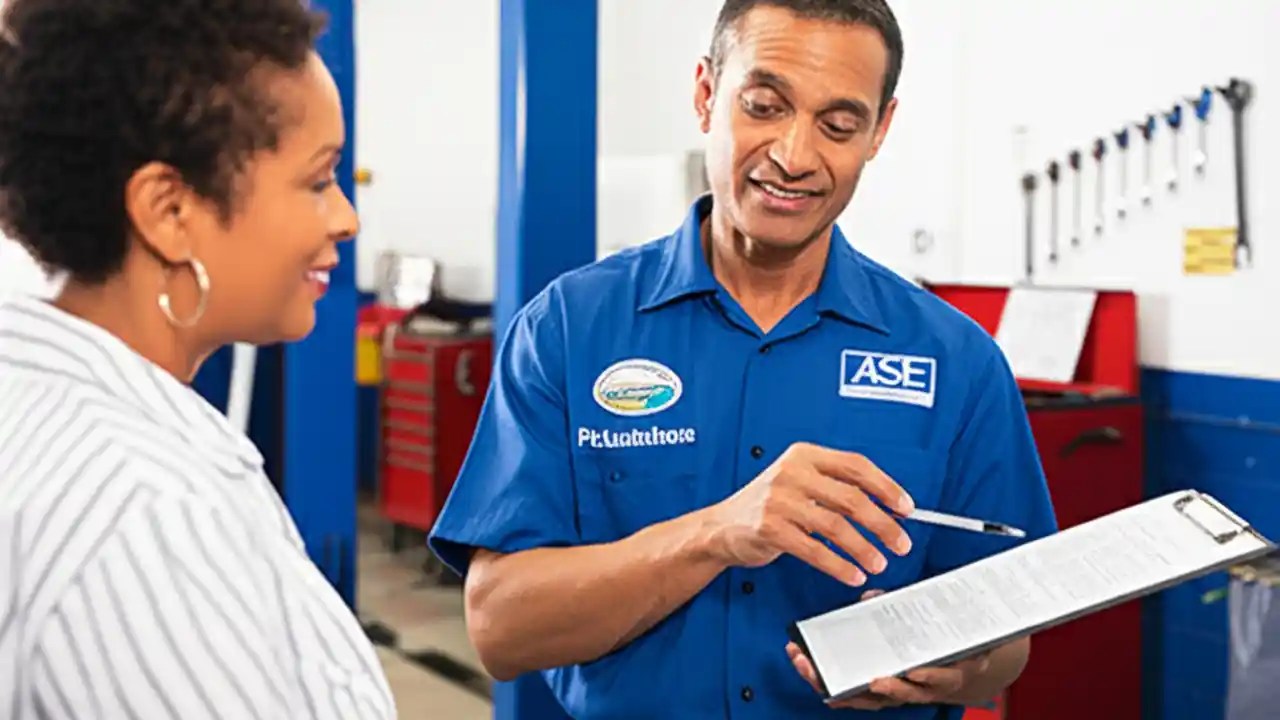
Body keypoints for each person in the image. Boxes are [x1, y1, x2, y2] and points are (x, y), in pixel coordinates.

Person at [430, 0, 1058, 717]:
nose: (794, 156)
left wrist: (958, 670)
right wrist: (719, 531)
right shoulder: (570, 329)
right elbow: (501, 629)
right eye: (764, 106)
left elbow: (1008, 643)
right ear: (706, 95)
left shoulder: (957, 362)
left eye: (839, 125)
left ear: (879, 132)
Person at [0, 1, 395, 718]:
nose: (346, 216)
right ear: (170, 211)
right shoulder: (146, 512)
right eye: (317, 180)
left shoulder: (37, 400)